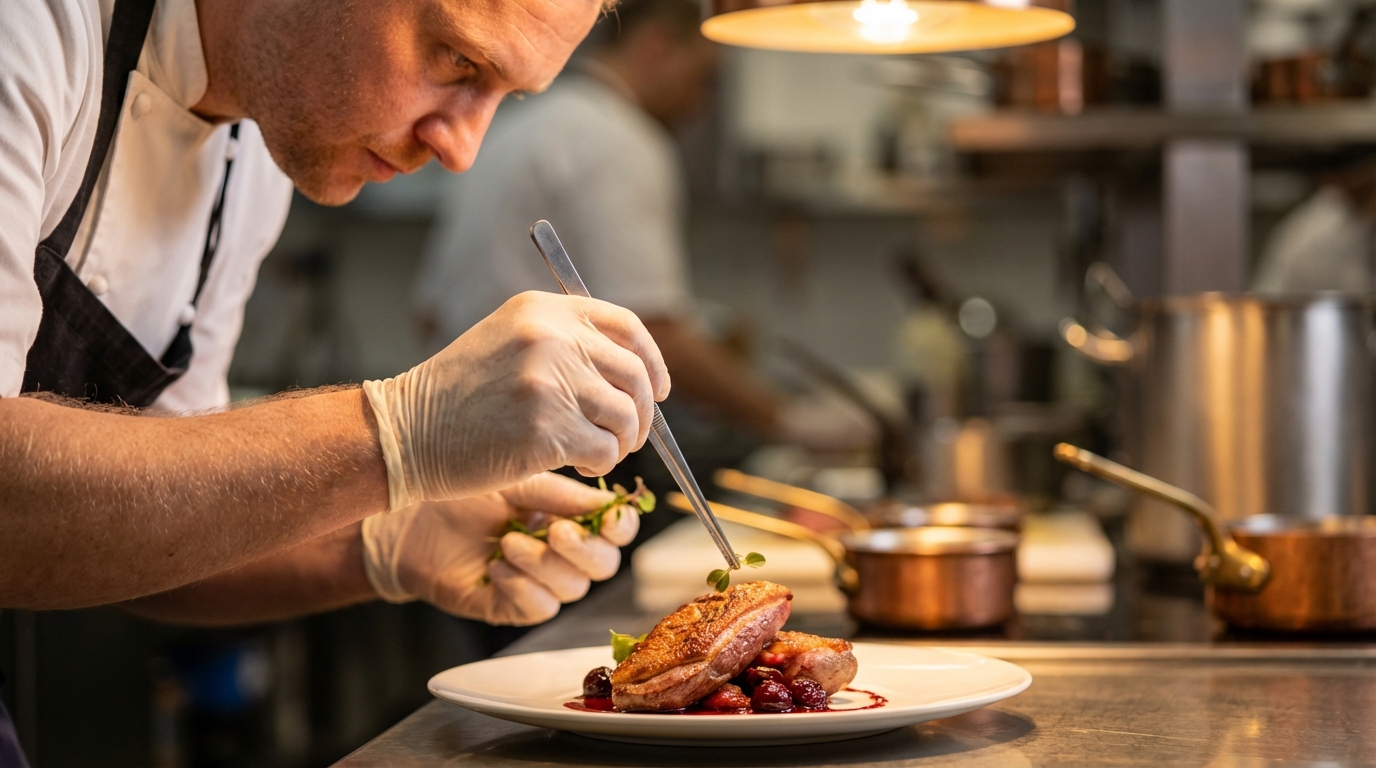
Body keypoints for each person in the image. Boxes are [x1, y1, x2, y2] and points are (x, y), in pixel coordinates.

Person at [0, 0, 676, 762]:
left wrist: (382, 541)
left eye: (506, 96)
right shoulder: (30, 27)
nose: (461, 149)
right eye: (457, 60)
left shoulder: (253, 155)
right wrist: (395, 434)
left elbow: (152, 521)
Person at [415, 0, 873, 449]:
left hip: (459, 430)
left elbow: (431, 309)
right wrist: (785, 419)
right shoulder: (621, 141)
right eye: (699, 79)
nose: (697, 103)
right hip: (550, 441)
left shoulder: (517, 127)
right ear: (655, 46)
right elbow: (654, 334)